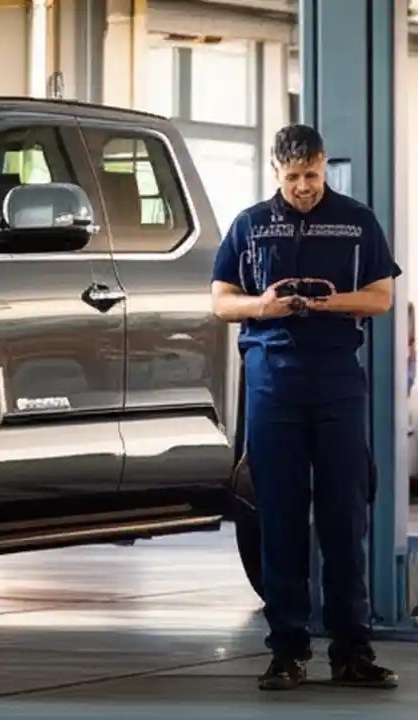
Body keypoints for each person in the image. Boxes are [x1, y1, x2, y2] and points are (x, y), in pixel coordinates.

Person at [210, 124, 401, 691]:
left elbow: (382, 297)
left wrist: (328, 303)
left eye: (312, 175)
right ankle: (288, 651)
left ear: (324, 166)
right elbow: (221, 300)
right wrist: (263, 307)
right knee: (280, 516)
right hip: (272, 380)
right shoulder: (250, 224)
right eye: (293, 177)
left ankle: (352, 651)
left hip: (336, 377)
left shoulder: (356, 221)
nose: (303, 187)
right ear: (276, 170)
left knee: (345, 514)